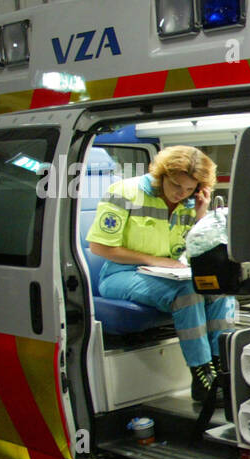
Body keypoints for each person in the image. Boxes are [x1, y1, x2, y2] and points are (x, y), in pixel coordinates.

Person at [85, 145, 236, 402]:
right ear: (161, 175)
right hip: (120, 275)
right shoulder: (124, 193)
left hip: (164, 273)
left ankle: (222, 367)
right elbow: (100, 247)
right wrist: (155, 260)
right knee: (188, 293)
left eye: (189, 188)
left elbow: (196, 252)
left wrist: (201, 215)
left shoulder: (190, 202)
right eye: (177, 185)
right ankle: (201, 376)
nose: (181, 193)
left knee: (217, 288)